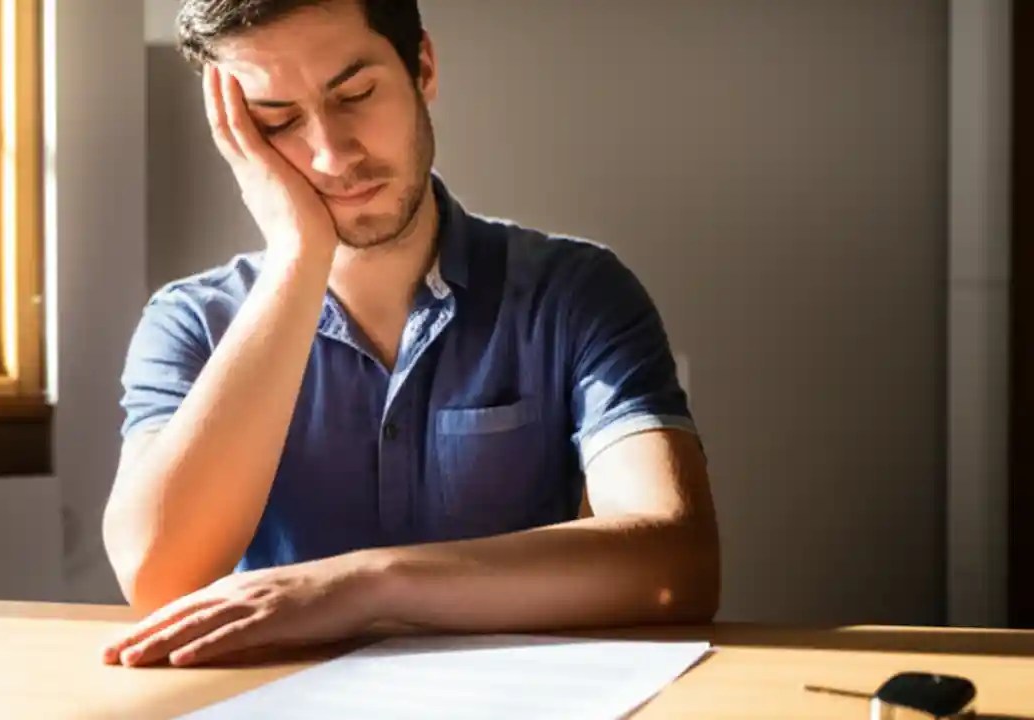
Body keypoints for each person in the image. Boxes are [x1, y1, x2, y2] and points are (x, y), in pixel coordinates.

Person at [101, 0, 719, 668]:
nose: (332, 156)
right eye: (277, 121)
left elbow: (677, 565)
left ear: (421, 67)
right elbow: (159, 578)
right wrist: (298, 257)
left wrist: (364, 586)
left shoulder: (574, 293)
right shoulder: (192, 321)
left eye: (356, 95)